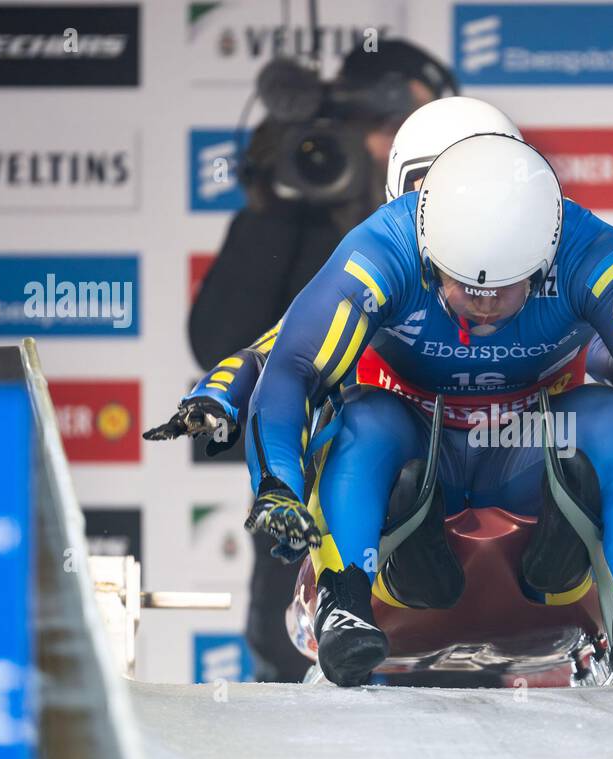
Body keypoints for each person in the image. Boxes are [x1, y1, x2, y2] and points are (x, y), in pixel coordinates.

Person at [240, 134, 613, 689]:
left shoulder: (591, 254)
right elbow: (291, 369)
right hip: (416, 442)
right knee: (363, 417)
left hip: (525, 450)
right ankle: (345, 599)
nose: (484, 305)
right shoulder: (382, 252)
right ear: (429, 252)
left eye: (504, 288)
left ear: (545, 253)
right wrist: (277, 484)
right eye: (467, 286)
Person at [172, 40, 455, 683]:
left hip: (447, 502)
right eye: (387, 130)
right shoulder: (301, 210)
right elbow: (220, 344)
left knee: (451, 701)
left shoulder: (466, 235)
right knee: (295, 701)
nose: (399, 150)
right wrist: (278, 205)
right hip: (308, 515)